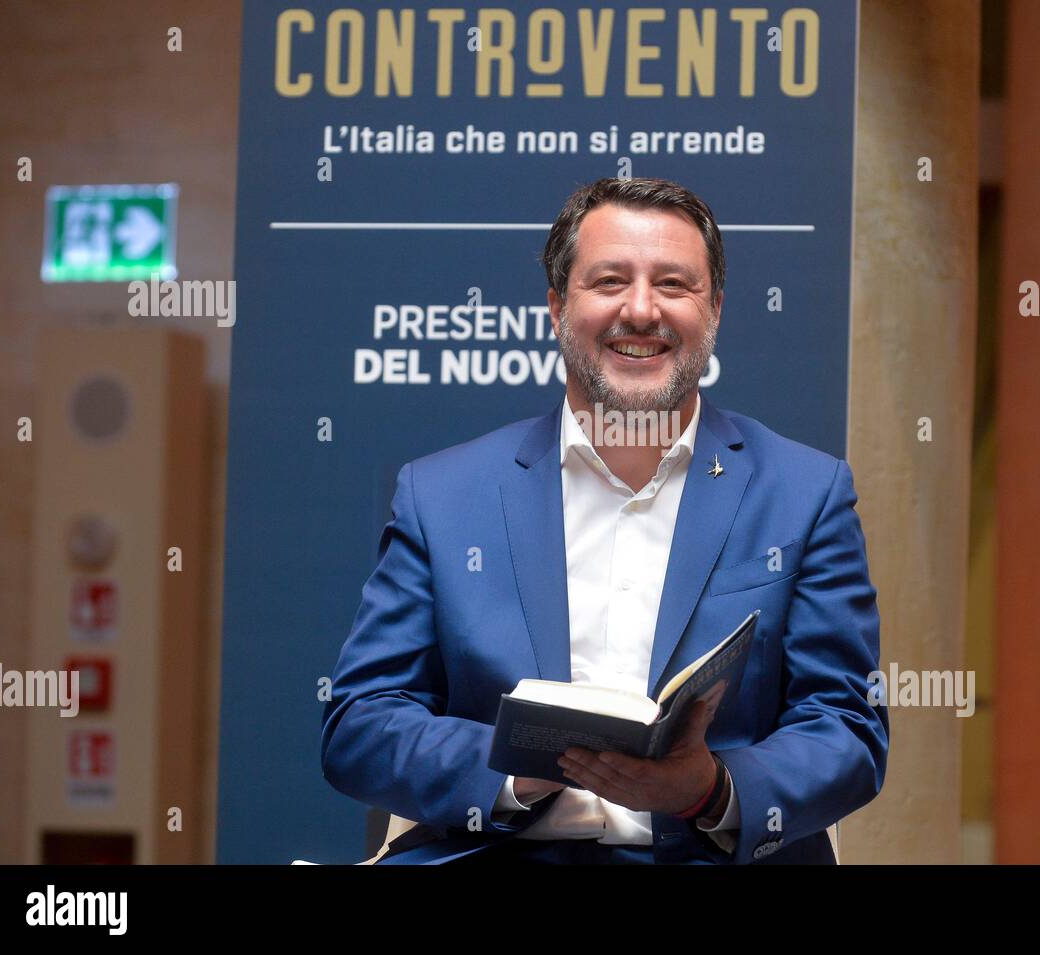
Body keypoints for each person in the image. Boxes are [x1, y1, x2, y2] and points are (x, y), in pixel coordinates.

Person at [320, 177, 888, 864]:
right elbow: (360, 723)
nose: (641, 310)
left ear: (715, 310)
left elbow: (846, 729)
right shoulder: (442, 494)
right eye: (610, 280)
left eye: (674, 284)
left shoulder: (805, 492)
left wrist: (709, 789)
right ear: (557, 307)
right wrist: (512, 769)